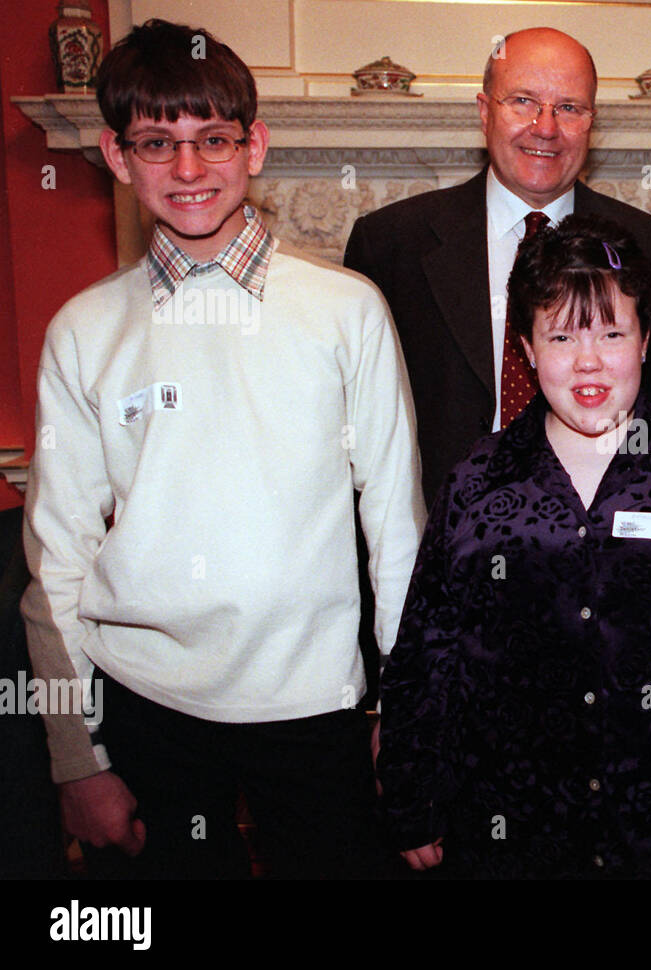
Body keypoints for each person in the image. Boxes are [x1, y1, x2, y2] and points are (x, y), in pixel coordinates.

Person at [20, 20, 425, 878]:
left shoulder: (346, 310)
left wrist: (409, 704)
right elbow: (57, 561)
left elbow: (396, 531)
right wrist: (75, 757)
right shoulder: (83, 331)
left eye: (213, 139)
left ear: (256, 146)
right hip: (145, 709)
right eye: (157, 144)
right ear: (116, 157)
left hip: (318, 712)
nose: (191, 169)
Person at [377, 215, 651, 878]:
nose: (588, 362)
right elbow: (425, 651)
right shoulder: (477, 478)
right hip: (512, 830)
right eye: (561, 335)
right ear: (524, 344)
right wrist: (411, 794)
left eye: (611, 333)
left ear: (645, 340)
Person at [345, 27, 651, 508]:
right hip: (442, 547)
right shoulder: (390, 246)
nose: (546, 127)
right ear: (485, 111)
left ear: (592, 123)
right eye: (523, 102)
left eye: (569, 108)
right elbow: (362, 433)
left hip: (600, 547)